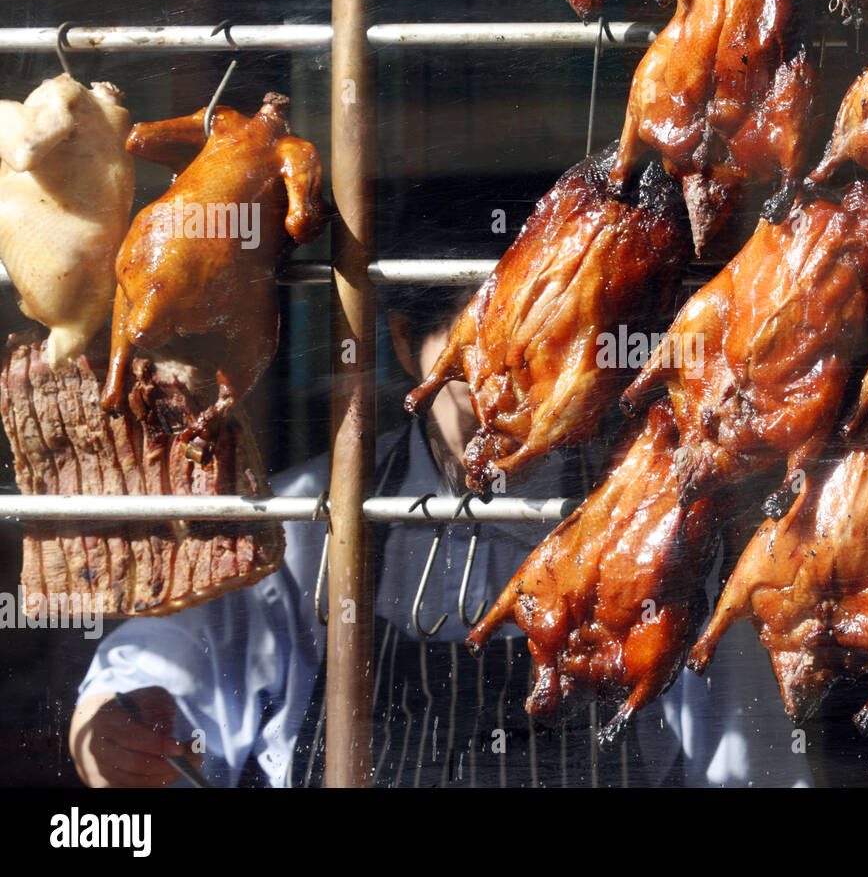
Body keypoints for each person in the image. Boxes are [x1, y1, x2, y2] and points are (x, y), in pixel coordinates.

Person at [70, 287, 813, 787]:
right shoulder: (305, 519)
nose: (512, 396)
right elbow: (144, 686)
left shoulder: (668, 534)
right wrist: (117, 730)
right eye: (480, 357)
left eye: (553, 353)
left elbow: (759, 765)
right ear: (403, 344)